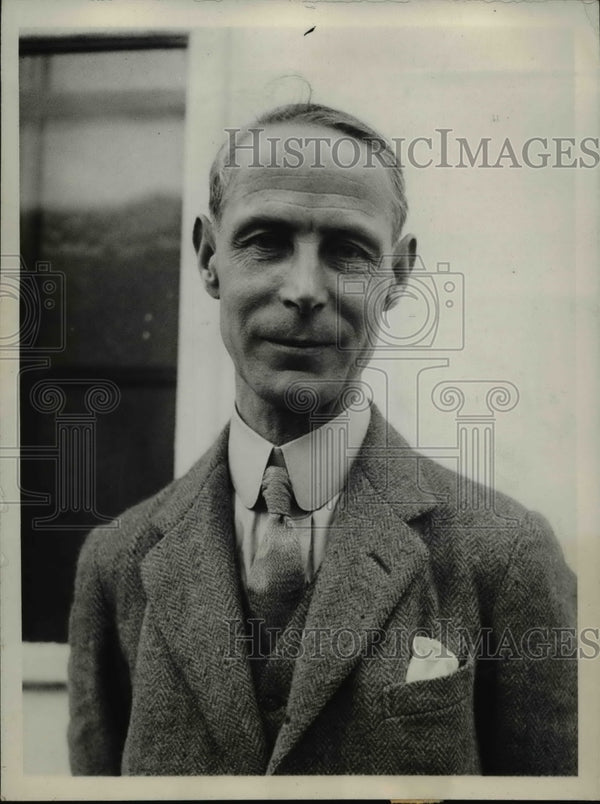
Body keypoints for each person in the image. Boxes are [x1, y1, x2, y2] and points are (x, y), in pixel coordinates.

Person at [67, 102, 577, 776]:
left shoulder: (504, 556)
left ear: (397, 275)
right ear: (208, 257)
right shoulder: (116, 565)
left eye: (347, 250)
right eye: (266, 241)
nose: (304, 289)